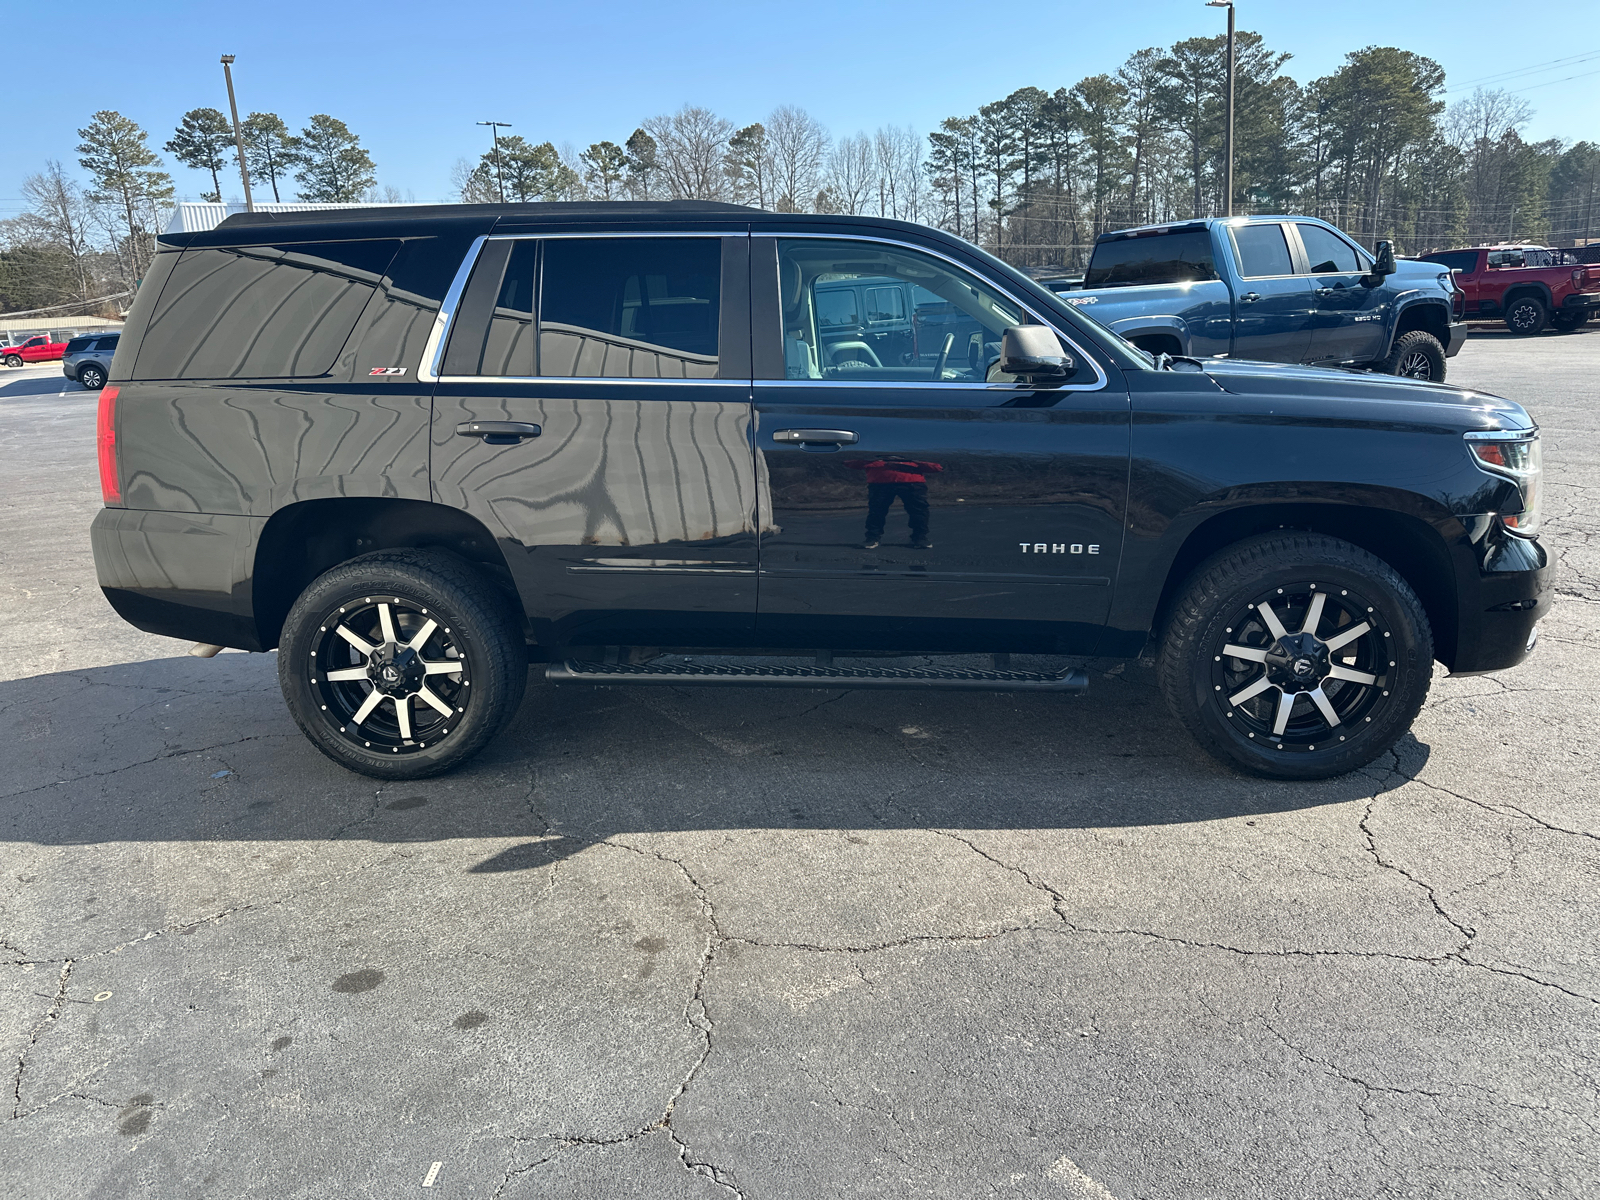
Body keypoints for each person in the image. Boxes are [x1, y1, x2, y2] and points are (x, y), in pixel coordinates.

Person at [847, 456, 944, 549]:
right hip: (880, 485)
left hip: (912, 484)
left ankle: (920, 537)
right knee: (876, 511)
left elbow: (937, 468)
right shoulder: (872, 458)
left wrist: (912, 460)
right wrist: (873, 460)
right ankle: (872, 538)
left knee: (918, 511)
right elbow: (850, 463)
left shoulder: (914, 457)